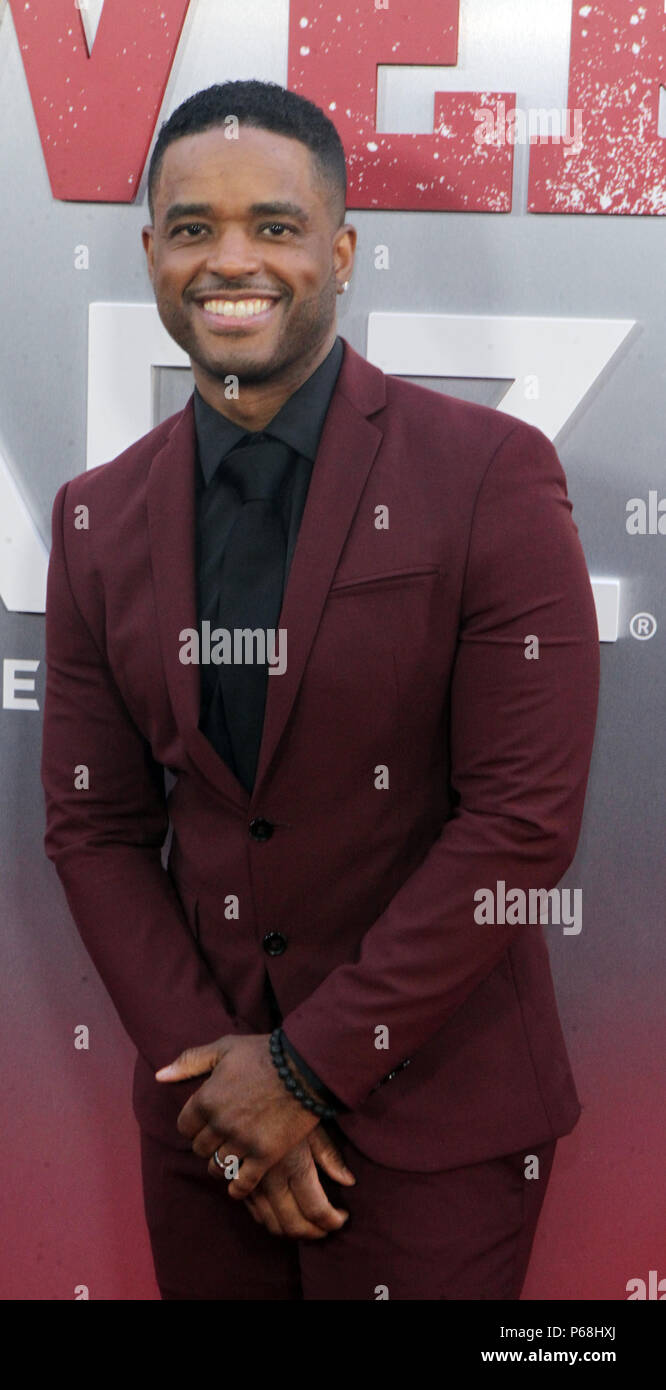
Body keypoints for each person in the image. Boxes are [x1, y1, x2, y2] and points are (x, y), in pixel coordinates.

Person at [41, 79, 600, 1300]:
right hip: (207, 1134)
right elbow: (94, 825)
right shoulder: (95, 517)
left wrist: (301, 1072)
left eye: (273, 226)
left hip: (435, 1127)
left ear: (338, 251)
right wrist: (226, 1085)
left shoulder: (488, 475)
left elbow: (519, 825)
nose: (228, 258)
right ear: (150, 254)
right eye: (191, 227)